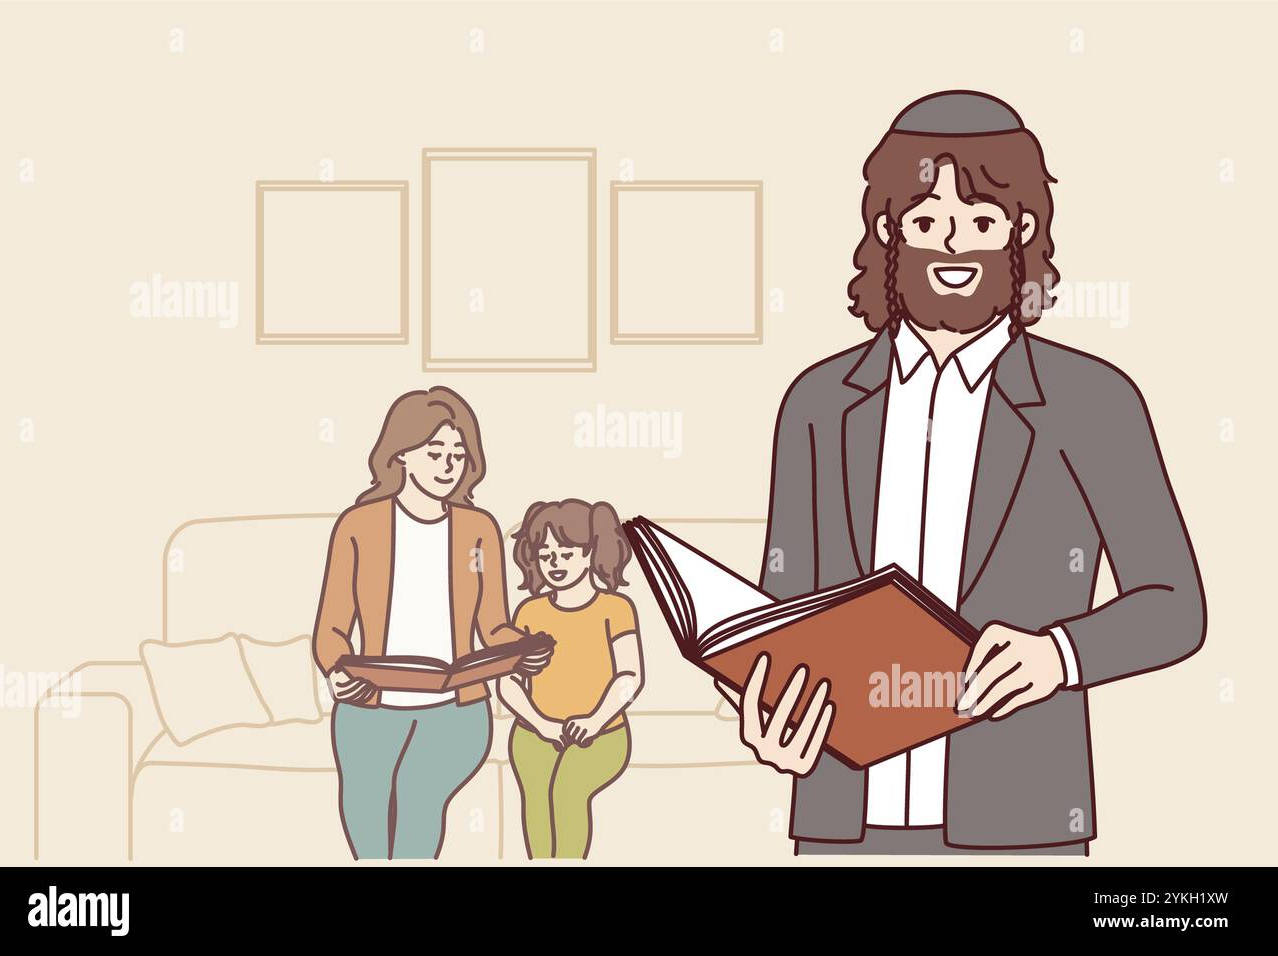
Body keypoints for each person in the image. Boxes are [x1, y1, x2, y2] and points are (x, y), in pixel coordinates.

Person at [722, 90, 1205, 854]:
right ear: (888, 228)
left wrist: (1059, 656)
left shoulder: (1092, 401)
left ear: (1021, 229)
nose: (955, 249)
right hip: (841, 824)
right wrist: (763, 711)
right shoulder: (816, 403)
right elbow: (785, 612)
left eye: (981, 223)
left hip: (1019, 824)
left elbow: (1175, 606)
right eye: (928, 224)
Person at [311, 386, 551, 859]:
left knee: (418, 797)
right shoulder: (359, 525)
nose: (448, 465)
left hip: (457, 712)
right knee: (368, 822)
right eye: (435, 451)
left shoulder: (478, 530)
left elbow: (494, 626)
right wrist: (339, 672)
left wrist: (523, 650)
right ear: (401, 455)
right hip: (369, 706)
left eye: (459, 454)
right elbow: (331, 628)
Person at [498, 499, 644, 859]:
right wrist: (541, 724)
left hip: (603, 734)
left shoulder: (616, 607)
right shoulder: (530, 611)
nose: (554, 563)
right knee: (536, 803)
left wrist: (595, 720)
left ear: (591, 552)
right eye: (546, 554)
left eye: (565, 552)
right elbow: (508, 681)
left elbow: (630, 675)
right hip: (534, 733)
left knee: (566, 792)